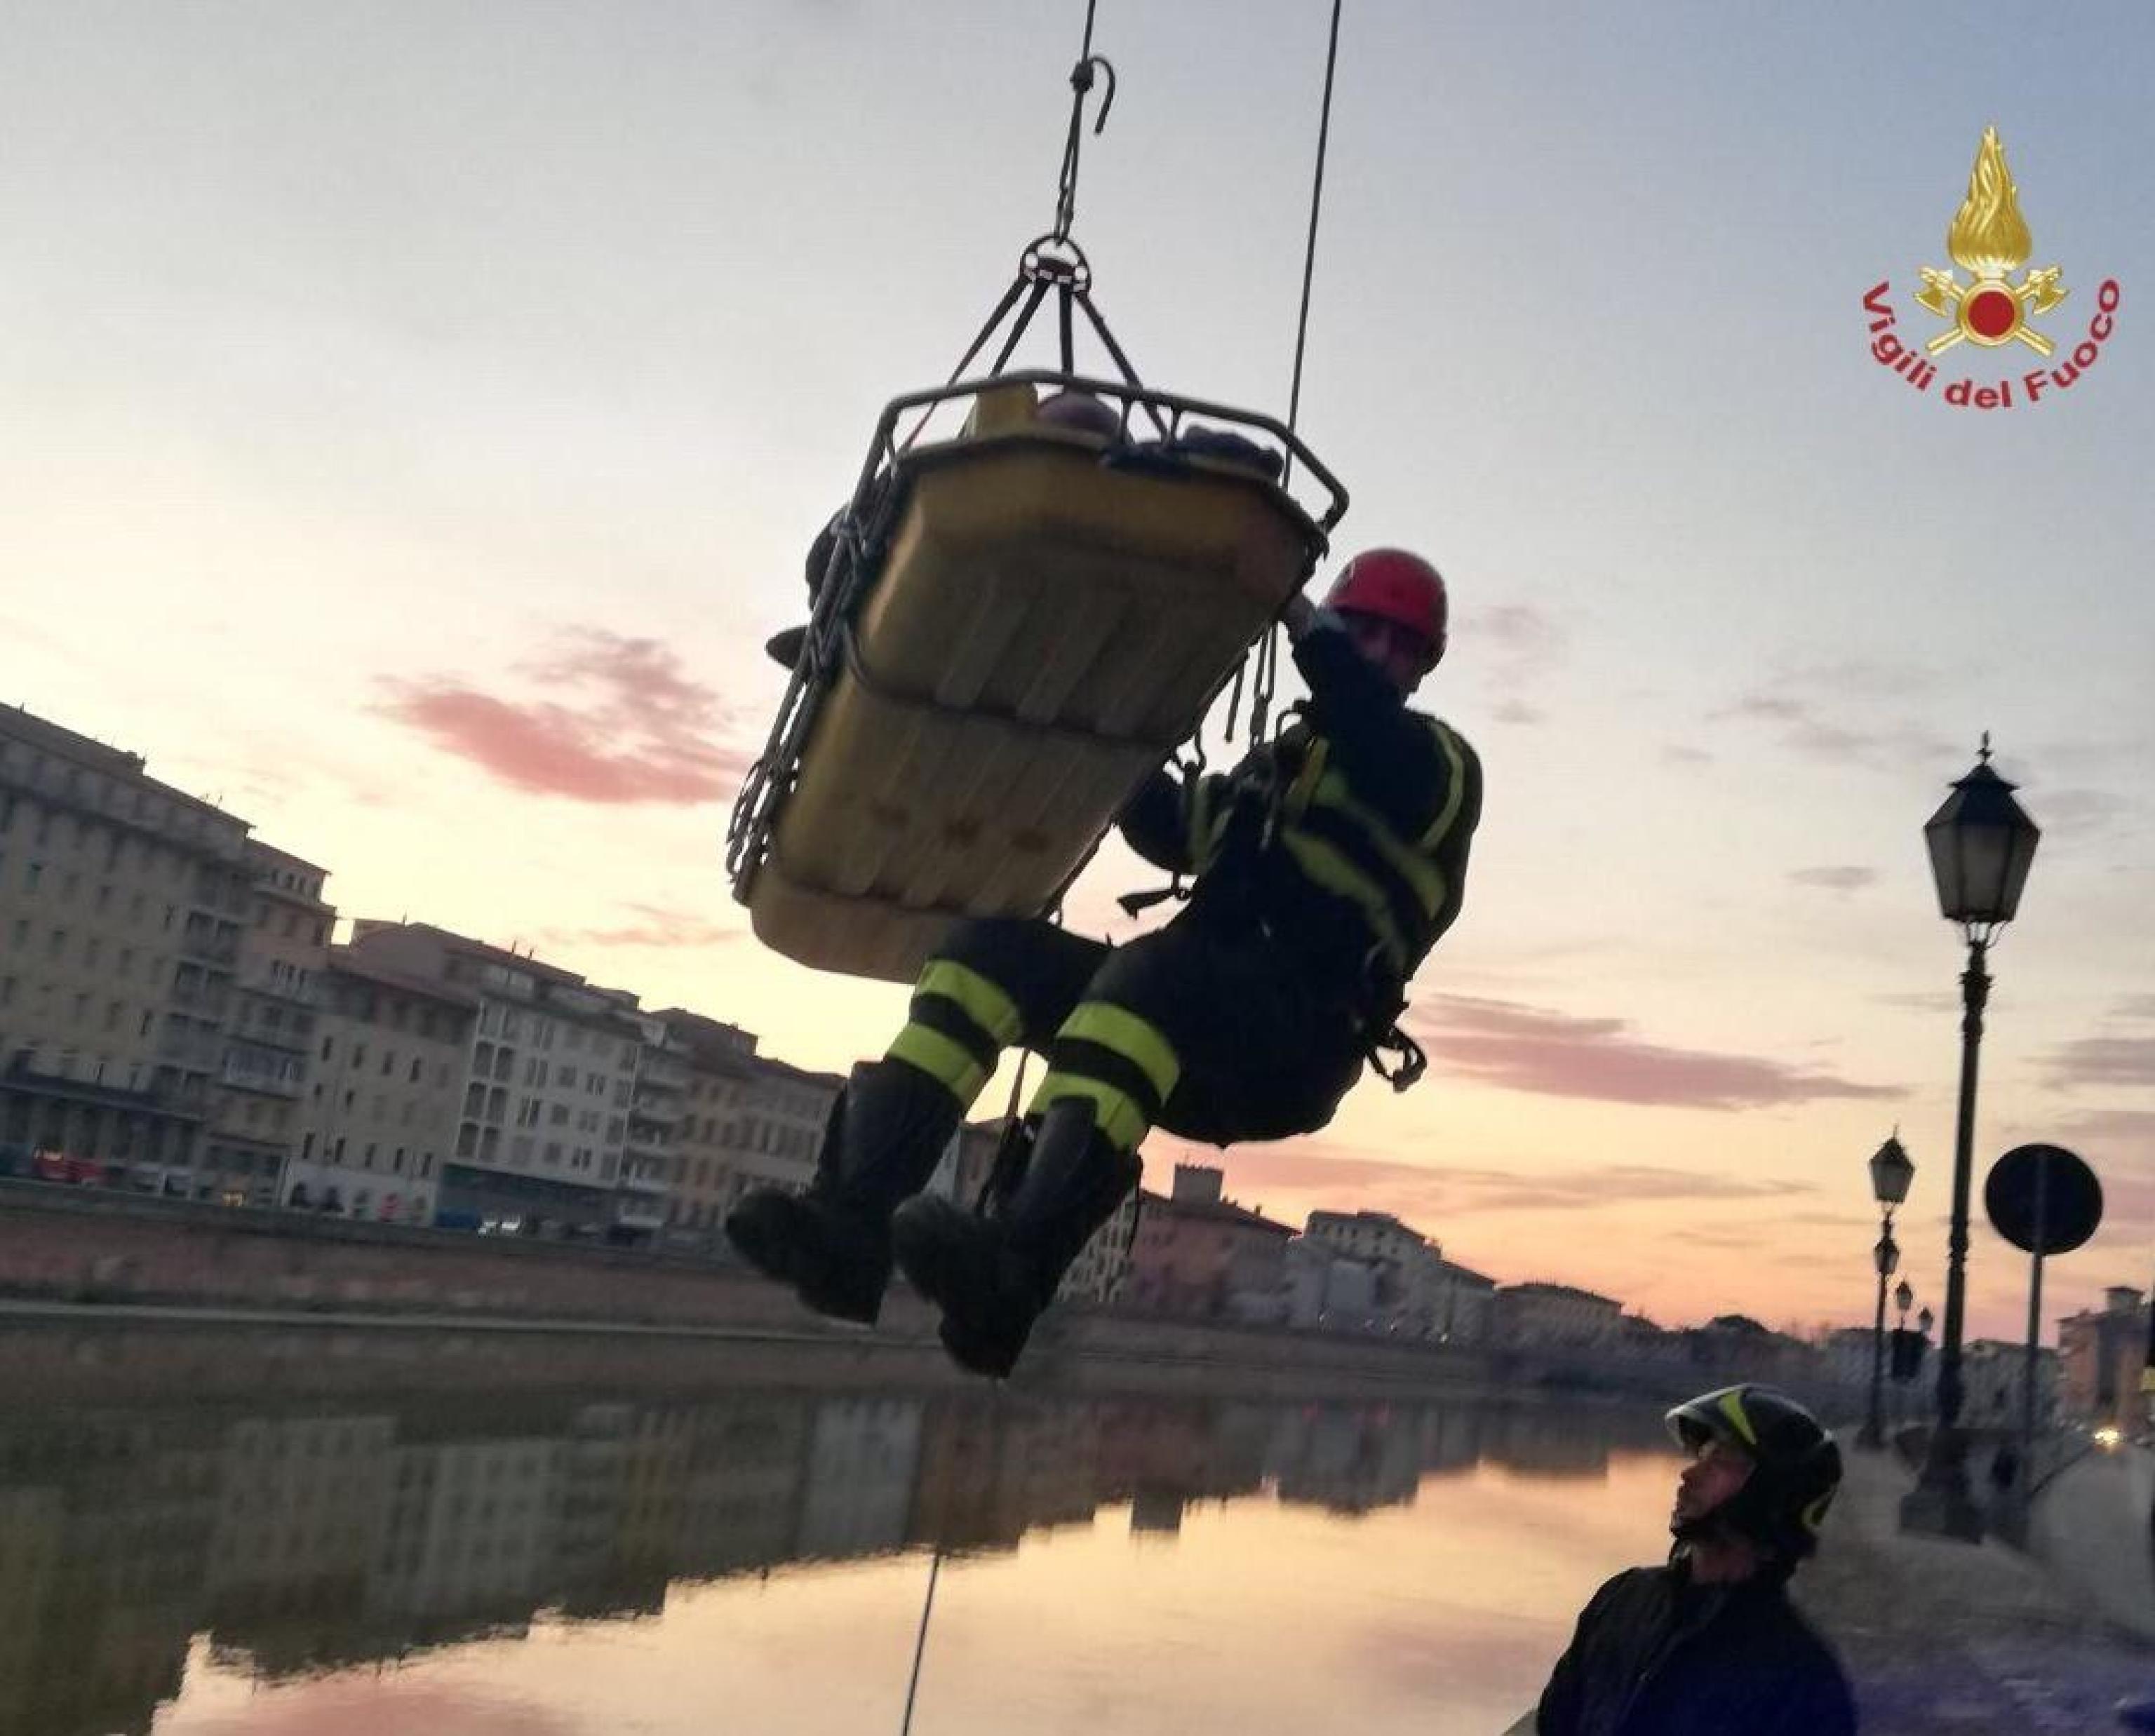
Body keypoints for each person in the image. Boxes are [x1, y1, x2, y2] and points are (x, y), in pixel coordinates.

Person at [727, 548, 1482, 1377]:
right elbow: (1169, 824)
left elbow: (1377, 740)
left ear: (1420, 668)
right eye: (1362, 632)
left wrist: (1300, 617)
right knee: (983, 956)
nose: (1377, 653)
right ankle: (848, 1228)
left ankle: (1013, 1272)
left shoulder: (1437, 767)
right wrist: (1085, 730)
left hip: (1295, 1040)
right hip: (1188, 1010)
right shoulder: (1276, 774)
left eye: (1398, 644)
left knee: (1148, 979)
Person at [1531, 1385, 1858, 1736]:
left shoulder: (1801, 1675)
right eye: (1701, 1455)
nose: (1690, 1474)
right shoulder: (1622, 1599)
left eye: (1721, 1460)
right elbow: (1556, 1722)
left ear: (1774, 1491)